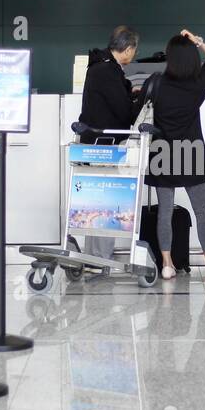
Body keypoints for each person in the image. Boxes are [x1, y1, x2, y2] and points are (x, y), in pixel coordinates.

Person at [147, 29, 205, 283]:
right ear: (191, 59)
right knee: (201, 210)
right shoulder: (197, 86)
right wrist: (199, 41)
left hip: (162, 153)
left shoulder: (157, 83)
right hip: (191, 151)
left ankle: (167, 264)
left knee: (164, 212)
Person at [78, 25, 147, 264]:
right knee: (105, 201)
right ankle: (100, 258)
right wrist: (140, 99)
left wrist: (129, 92)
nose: (134, 55)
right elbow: (122, 111)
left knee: (95, 201)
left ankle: (92, 256)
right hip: (103, 146)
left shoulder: (101, 66)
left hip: (94, 143)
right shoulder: (108, 70)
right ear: (127, 49)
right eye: (134, 50)